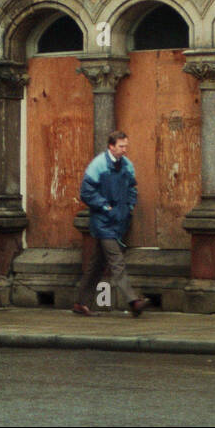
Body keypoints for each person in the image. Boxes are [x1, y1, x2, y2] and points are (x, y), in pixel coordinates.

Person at [72, 130, 150, 317]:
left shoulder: (127, 165)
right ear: (111, 146)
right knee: (117, 261)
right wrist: (105, 207)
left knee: (96, 266)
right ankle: (133, 302)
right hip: (103, 222)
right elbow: (86, 192)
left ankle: (80, 303)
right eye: (121, 146)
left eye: (126, 146)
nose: (125, 150)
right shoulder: (98, 165)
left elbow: (132, 187)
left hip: (119, 221)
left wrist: (129, 206)